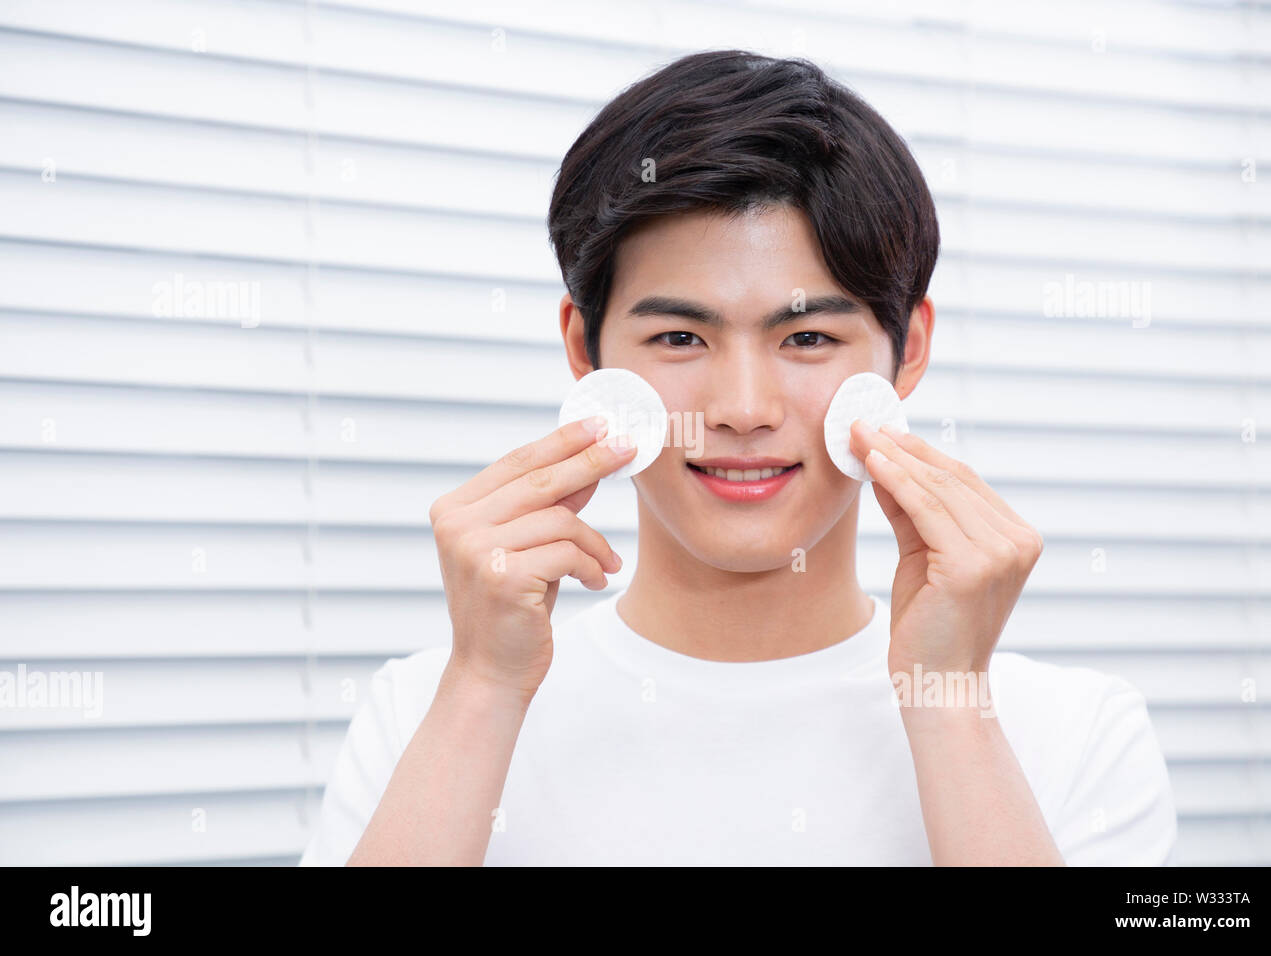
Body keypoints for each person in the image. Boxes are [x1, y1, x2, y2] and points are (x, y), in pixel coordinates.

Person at [299, 49, 1177, 866]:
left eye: (806, 336)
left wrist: (948, 706)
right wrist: (485, 687)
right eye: (680, 336)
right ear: (585, 349)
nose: (744, 411)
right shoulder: (429, 709)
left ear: (907, 350)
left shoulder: (1074, 733)